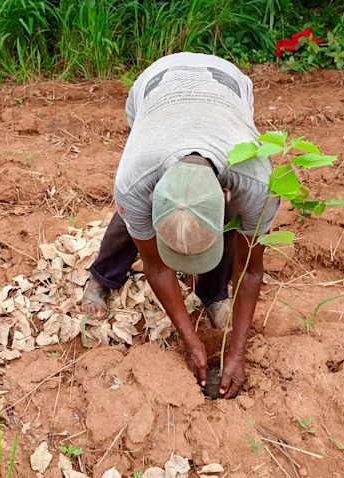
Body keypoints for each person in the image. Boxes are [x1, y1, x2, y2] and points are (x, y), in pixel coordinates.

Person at [81, 52, 279, 399]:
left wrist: (236, 353)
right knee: (131, 219)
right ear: (155, 196)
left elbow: (249, 271)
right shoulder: (135, 178)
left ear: (227, 195)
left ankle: (213, 292)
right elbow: (156, 266)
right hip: (156, 85)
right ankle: (102, 275)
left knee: (230, 228)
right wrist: (191, 341)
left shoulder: (255, 181)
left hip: (224, 84)